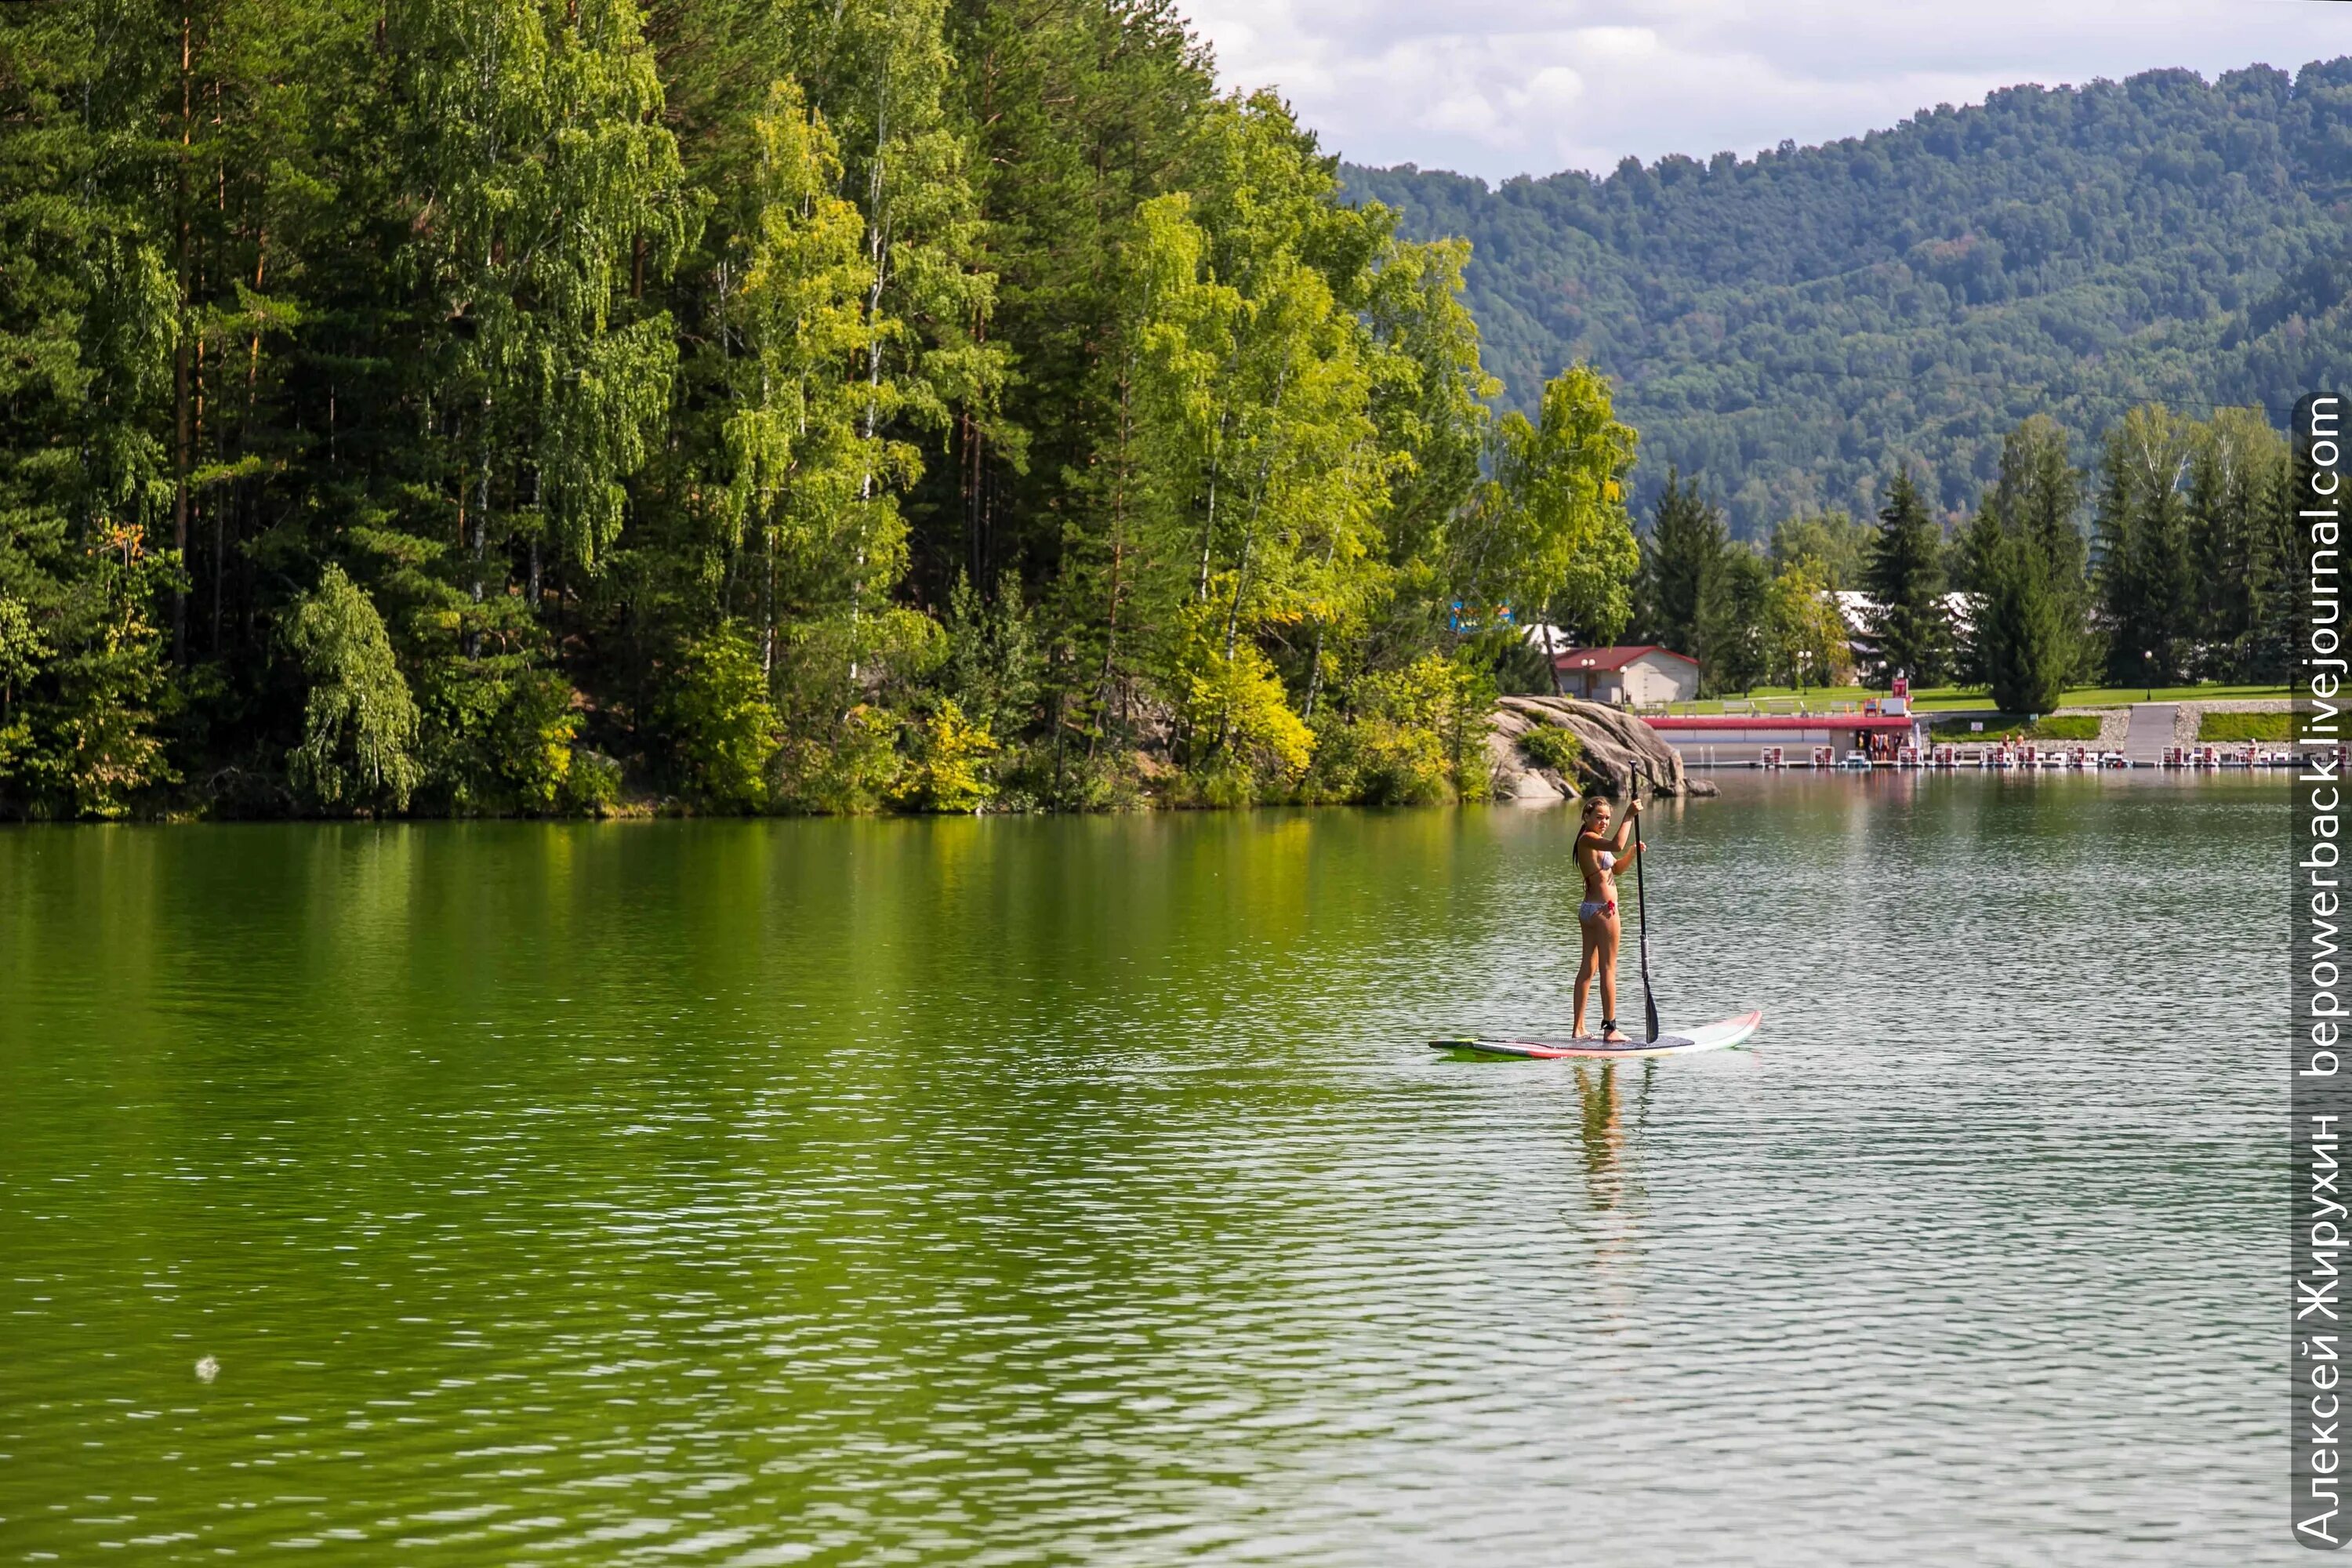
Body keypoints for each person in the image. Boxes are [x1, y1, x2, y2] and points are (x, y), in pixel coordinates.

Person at [1572, 790, 1643, 1042]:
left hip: (1590, 910)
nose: (1603, 822)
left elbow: (1617, 869)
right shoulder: (1587, 839)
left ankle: (1579, 1028)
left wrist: (1632, 854)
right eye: (1599, 817)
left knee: (1588, 969)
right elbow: (1617, 844)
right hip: (1604, 911)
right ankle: (1610, 1028)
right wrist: (1629, 816)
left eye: (1607, 819)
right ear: (1586, 817)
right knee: (1608, 969)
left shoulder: (1594, 842)